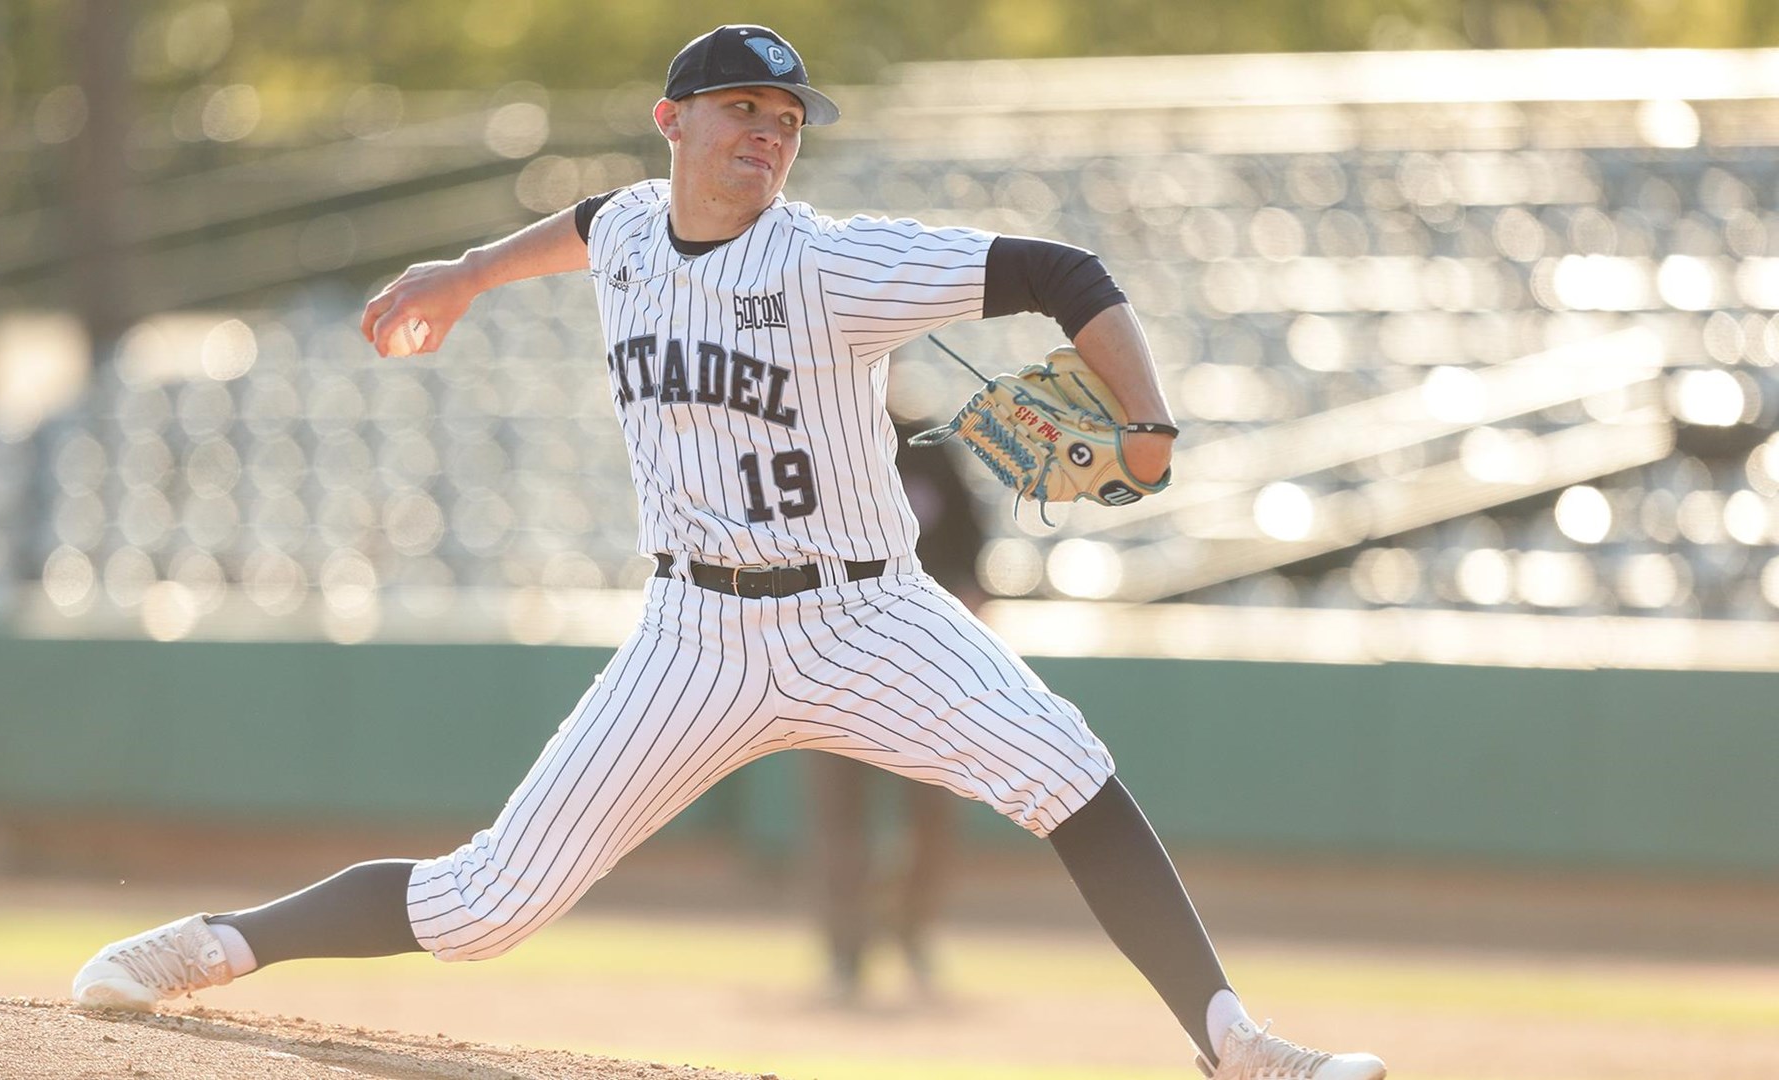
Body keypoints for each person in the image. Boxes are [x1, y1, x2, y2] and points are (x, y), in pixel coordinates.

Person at [71, 25, 1386, 1080]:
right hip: (693, 636)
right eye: (743, 109)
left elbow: (1065, 269)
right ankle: (210, 945)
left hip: (871, 618)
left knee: (1071, 770)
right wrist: (465, 272)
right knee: (484, 910)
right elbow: (590, 224)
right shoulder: (637, 228)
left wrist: (1147, 423)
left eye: (787, 119)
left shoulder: (836, 263)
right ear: (675, 121)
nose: (768, 132)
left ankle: (1230, 1042)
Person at [805, 422, 980, 1007]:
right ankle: (846, 950)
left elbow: (974, 559)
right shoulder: (816, 443)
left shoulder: (929, 451)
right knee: (842, 821)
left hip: (926, 671)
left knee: (930, 816)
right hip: (839, 664)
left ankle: (910, 932)